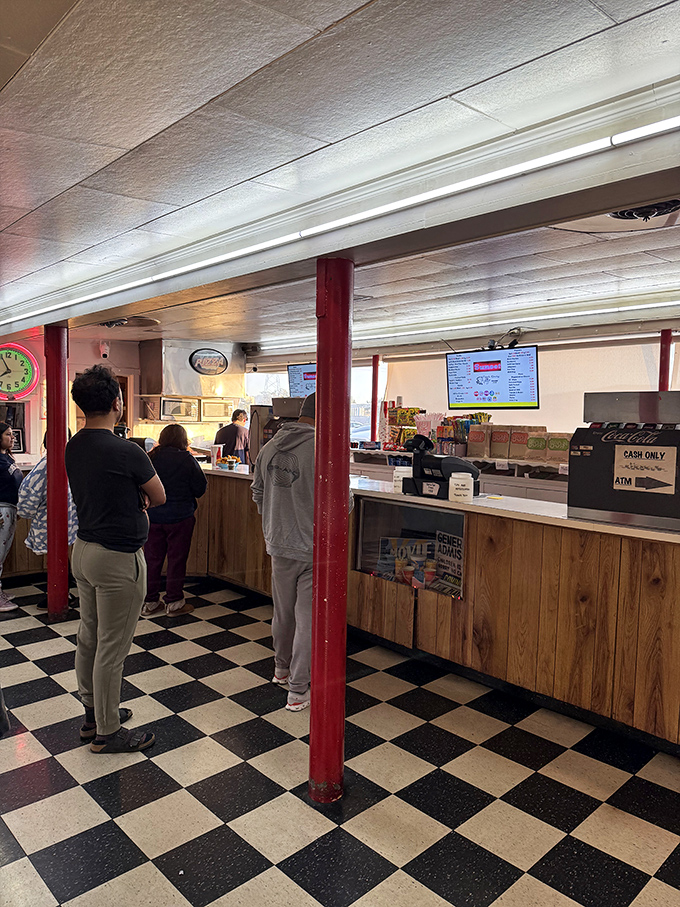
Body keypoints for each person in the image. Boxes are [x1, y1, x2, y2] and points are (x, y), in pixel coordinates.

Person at [66, 365, 166, 754]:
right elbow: (158, 497)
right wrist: (137, 499)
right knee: (113, 647)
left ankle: (93, 716)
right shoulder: (128, 451)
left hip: (85, 550)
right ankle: (108, 734)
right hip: (118, 559)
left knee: (89, 636)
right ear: (116, 403)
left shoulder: (74, 446)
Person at [251, 393, 315, 711]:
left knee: (283, 612)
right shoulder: (325, 448)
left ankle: (281, 670)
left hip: (278, 544)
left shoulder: (270, 446)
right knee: (307, 620)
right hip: (312, 547)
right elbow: (339, 504)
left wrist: (273, 522)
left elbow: (257, 490)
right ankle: (299, 690)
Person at [141, 424, 207, 618]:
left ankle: (150, 602)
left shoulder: (150, 457)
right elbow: (199, 489)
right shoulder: (187, 459)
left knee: (152, 559)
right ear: (182, 440)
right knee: (177, 559)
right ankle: (174, 602)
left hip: (153, 517)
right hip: (180, 517)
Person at [18, 430, 79, 610]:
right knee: (62, 555)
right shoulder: (74, 462)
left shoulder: (45, 465)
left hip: (50, 520)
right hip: (72, 520)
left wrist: (25, 513)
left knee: (54, 556)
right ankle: (64, 592)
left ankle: (60, 593)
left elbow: (27, 493)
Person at [0, 423, 22, 612]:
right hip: (1, 510)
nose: (13, 438)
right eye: (8, 435)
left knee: (3, 552)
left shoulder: (6, 458)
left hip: (11, 508)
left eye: (13, 435)